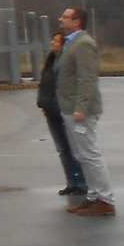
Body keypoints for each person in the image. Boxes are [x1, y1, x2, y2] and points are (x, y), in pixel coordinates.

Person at [55, 8, 114, 217]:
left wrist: (81, 108)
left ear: (77, 21)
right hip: (69, 107)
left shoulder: (83, 44)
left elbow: (88, 79)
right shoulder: (70, 43)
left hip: (80, 110)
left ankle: (106, 200)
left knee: (89, 155)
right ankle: (94, 195)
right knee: (81, 155)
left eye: (65, 17)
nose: (61, 20)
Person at [35, 32, 87, 196]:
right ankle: (71, 181)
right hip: (51, 111)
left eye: (56, 41)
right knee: (63, 149)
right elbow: (46, 84)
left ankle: (81, 182)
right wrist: (42, 103)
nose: (52, 43)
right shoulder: (51, 61)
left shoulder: (68, 63)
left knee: (73, 148)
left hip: (65, 111)